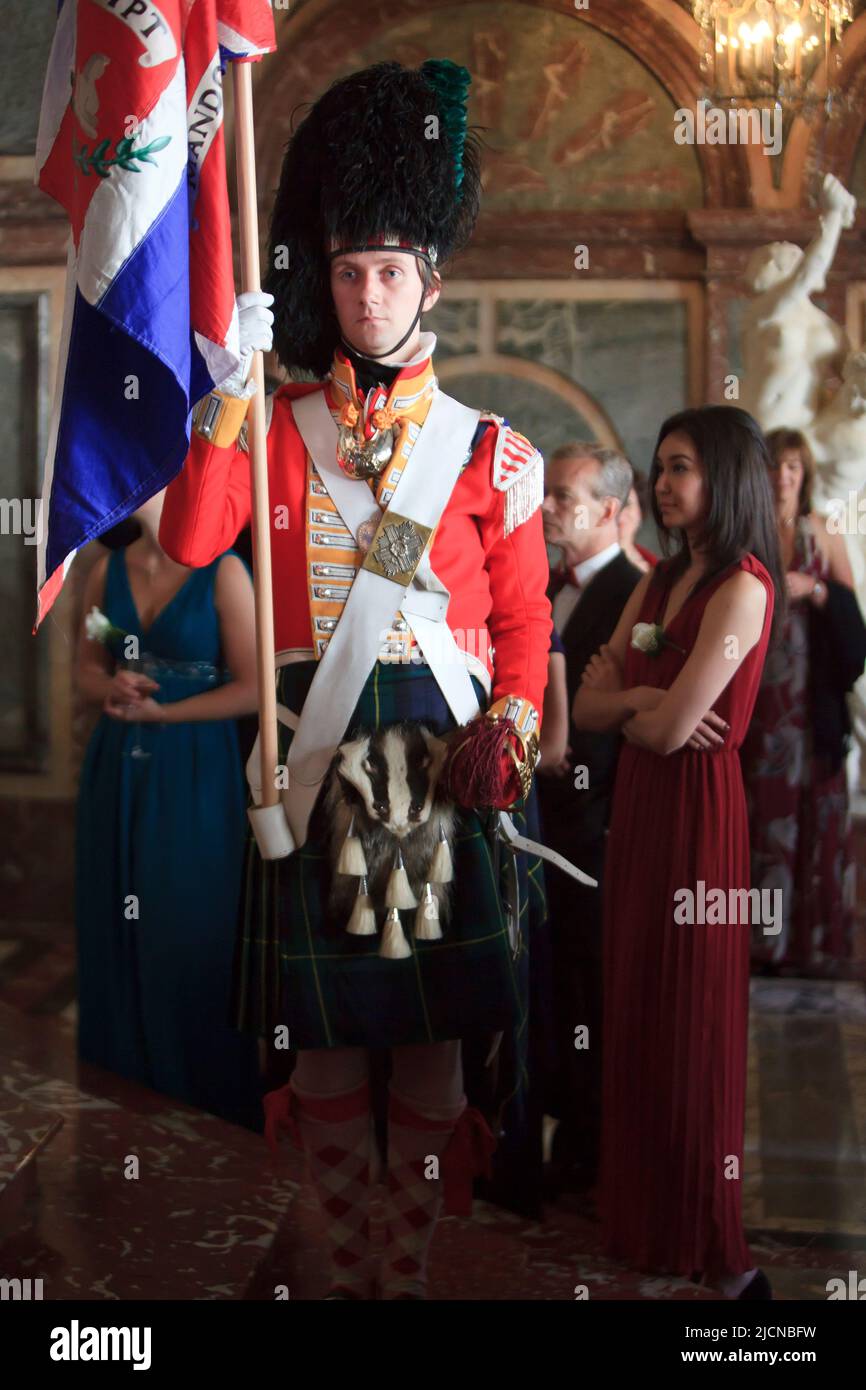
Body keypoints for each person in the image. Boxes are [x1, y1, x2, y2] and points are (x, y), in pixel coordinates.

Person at [159, 61, 551, 1299]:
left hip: (440, 761)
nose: (367, 295)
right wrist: (225, 398)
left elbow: (529, 614)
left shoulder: (489, 450)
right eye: (346, 271)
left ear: (429, 279)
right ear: (319, 281)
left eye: (388, 270)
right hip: (316, 756)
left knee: (432, 1055)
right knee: (325, 1058)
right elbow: (183, 541)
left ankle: (408, 1268)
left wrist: (518, 717)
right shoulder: (273, 424)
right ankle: (343, 1263)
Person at [572, 406, 784, 1298]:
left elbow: (669, 727)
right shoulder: (654, 582)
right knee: (639, 1002)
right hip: (646, 809)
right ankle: (646, 1219)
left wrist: (636, 699)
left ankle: (712, 1242)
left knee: (693, 1016)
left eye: (683, 467)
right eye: (659, 467)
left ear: (726, 477)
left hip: (702, 819)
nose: (663, 484)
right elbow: (592, 711)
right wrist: (640, 705)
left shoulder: (743, 586)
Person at [74, 492, 264, 1130]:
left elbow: (254, 686)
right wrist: (112, 685)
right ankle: (121, 1088)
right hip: (117, 766)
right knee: (116, 912)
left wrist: (169, 713)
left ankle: (199, 1095)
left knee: (186, 921)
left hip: (195, 770)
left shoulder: (225, 571)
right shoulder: (106, 570)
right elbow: (88, 663)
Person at [537, 443, 641, 1197]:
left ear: (609, 510)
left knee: (593, 989)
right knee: (549, 987)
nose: (546, 507)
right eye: (544, 492)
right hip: (537, 816)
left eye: (564, 496)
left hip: (595, 821)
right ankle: (552, 1128)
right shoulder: (540, 583)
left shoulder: (638, 595)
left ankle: (594, 1148)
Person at [742, 429, 865, 974]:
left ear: (804, 474)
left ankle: (814, 946)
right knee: (761, 821)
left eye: (792, 466)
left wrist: (813, 590)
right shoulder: (745, 532)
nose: (782, 476)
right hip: (757, 706)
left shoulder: (823, 532)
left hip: (811, 709)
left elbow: (851, 625)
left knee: (817, 819)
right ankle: (761, 945)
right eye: (774, 465)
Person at [617, 472, 657, 573]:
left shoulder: (658, 571)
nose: (617, 511)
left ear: (640, 513)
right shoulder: (574, 562)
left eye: (626, 503)